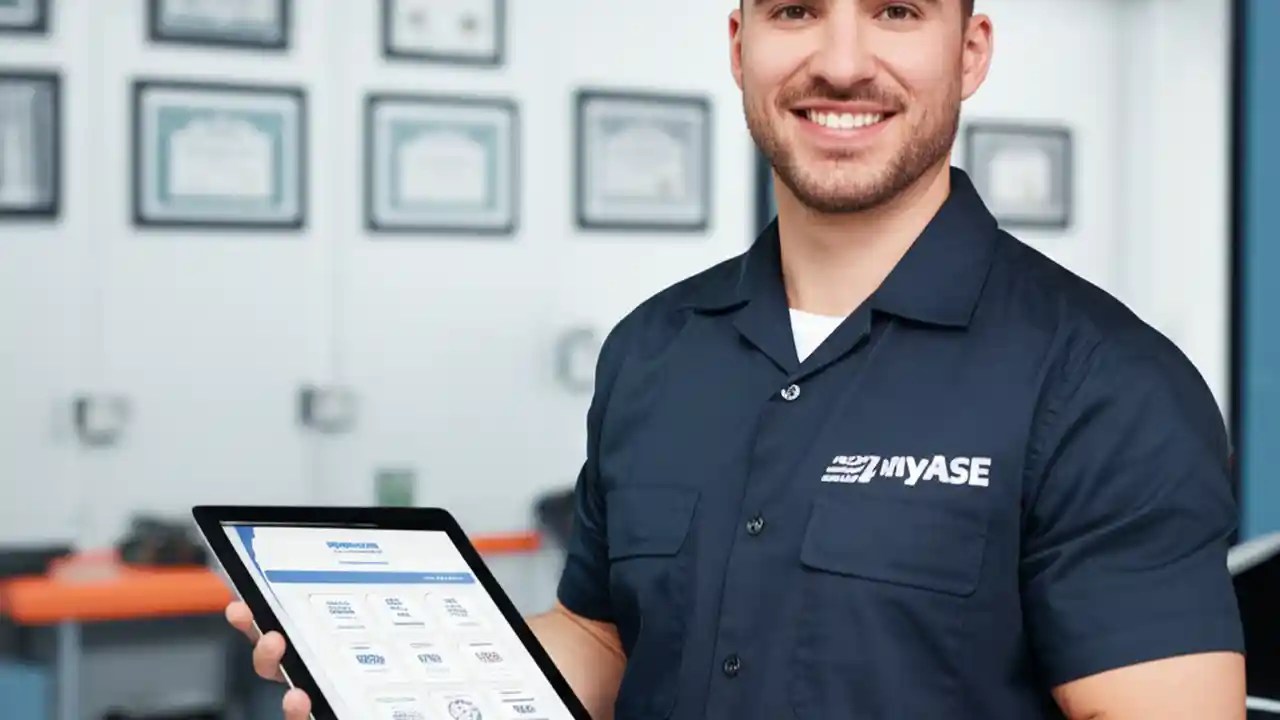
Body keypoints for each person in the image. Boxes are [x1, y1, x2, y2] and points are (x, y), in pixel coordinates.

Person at [227, 0, 1248, 717]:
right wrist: (415, 681)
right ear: (739, 41)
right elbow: (607, 636)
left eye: (895, 11)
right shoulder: (655, 349)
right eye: (796, 9)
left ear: (970, 50)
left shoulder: (1103, 382)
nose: (841, 62)